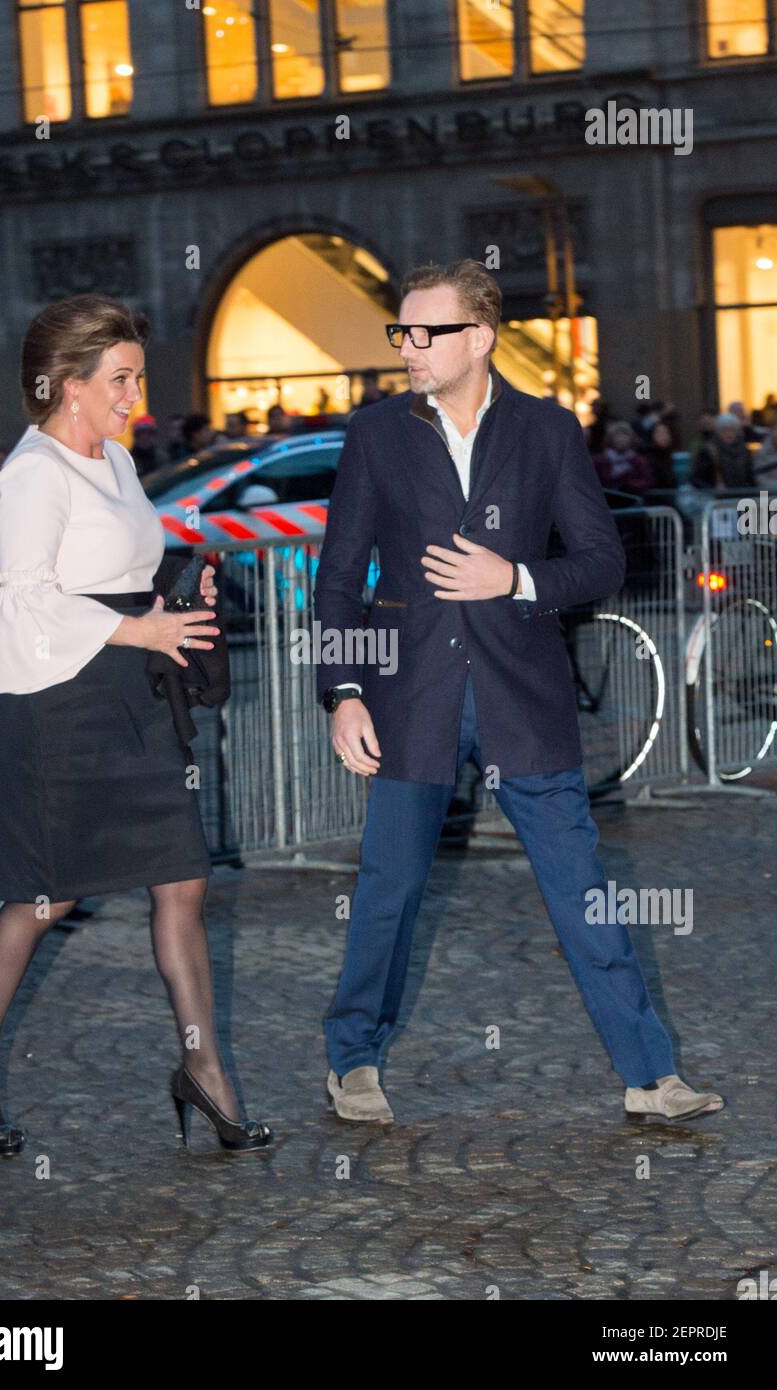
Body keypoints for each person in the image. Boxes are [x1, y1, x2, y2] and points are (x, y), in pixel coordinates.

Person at [314, 258, 723, 1126]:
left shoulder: (545, 430)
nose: (408, 348)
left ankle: (649, 1074)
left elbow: (604, 560)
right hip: (407, 697)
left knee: (580, 885)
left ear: (481, 338)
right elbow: (338, 577)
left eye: (426, 333)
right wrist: (344, 689)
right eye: (402, 332)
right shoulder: (377, 432)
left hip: (521, 697)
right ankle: (353, 1060)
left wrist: (517, 579)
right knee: (388, 887)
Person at [0, 293, 271, 1157]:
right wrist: (141, 628)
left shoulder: (118, 463)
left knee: (182, 879)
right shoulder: (30, 474)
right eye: (120, 380)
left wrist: (174, 598)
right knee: (48, 897)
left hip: (133, 694)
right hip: (57, 705)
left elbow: (124, 569)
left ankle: (203, 1071)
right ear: (69, 386)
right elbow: (30, 597)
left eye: (136, 378)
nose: (136, 397)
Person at [691, 412, 754, 491]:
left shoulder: (744, 451)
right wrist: (712, 489)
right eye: (724, 430)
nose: (729, 433)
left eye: (732, 429)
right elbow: (696, 479)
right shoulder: (708, 451)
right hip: (718, 498)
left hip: (742, 497)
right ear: (717, 432)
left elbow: (750, 477)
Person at [592, 420, 654, 497]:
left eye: (625, 436)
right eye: (617, 436)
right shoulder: (599, 461)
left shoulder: (639, 461)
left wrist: (629, 485)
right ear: (610, 439)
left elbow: (647, 481)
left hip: (633, 499)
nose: (621, 439)